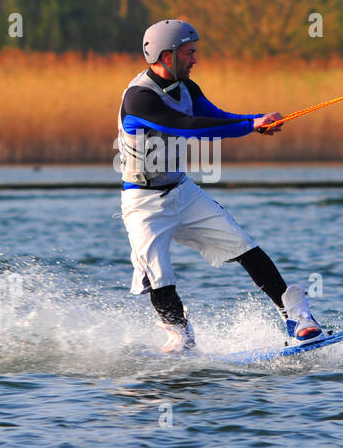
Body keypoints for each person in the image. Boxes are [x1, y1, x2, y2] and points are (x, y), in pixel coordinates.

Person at [116, 18, 322, 353]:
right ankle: (180, 337)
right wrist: (251, 125)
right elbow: (188, 127)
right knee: (158, 276)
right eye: (189, 53)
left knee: (243, 245)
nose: (195, 60)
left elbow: (218, 117)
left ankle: (295, 317)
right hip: (143, 202)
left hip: (182, 191)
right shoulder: (139, 98)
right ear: (167, 56)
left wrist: (257, 120)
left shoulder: (187, 88)